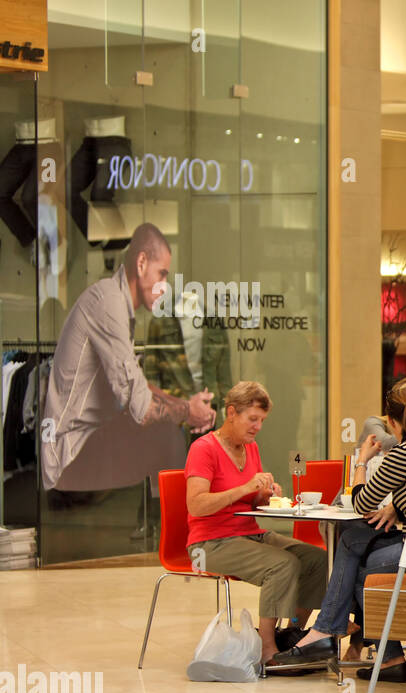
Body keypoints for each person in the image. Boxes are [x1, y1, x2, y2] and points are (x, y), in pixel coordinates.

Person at [272, 386, 406, 680]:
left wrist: (363, 460)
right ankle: (337, 636)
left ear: (391, 422)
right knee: (353, 538)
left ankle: (338, 636)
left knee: (361, 570)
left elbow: (360, 502)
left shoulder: (404, 453)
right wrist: (397, 508)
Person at [42, 222, 216, 490]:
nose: (164, 286)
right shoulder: (108, 303)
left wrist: (186, 406)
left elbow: (139, 387)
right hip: (70, 452)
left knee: (178, 432)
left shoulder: (118, 304)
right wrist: (185, 411)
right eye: (162, 274)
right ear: (142, 263)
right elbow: (141, 409)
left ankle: (182, 518)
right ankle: (182, 524)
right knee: (165, 434)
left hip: (90, 440)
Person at [185, 382, 327, 665]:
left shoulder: (251, 449)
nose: (258, 426)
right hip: (210, 542)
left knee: (317, 559)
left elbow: (251, 506)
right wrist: (244, 487)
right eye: (252, 419)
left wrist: (265, 495)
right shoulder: (204, 449)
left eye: (262, 420)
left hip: (249, 533)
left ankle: (292, 632)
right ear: (231, 413)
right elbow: (196, 504)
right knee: (282, 564)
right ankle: (267, 648)